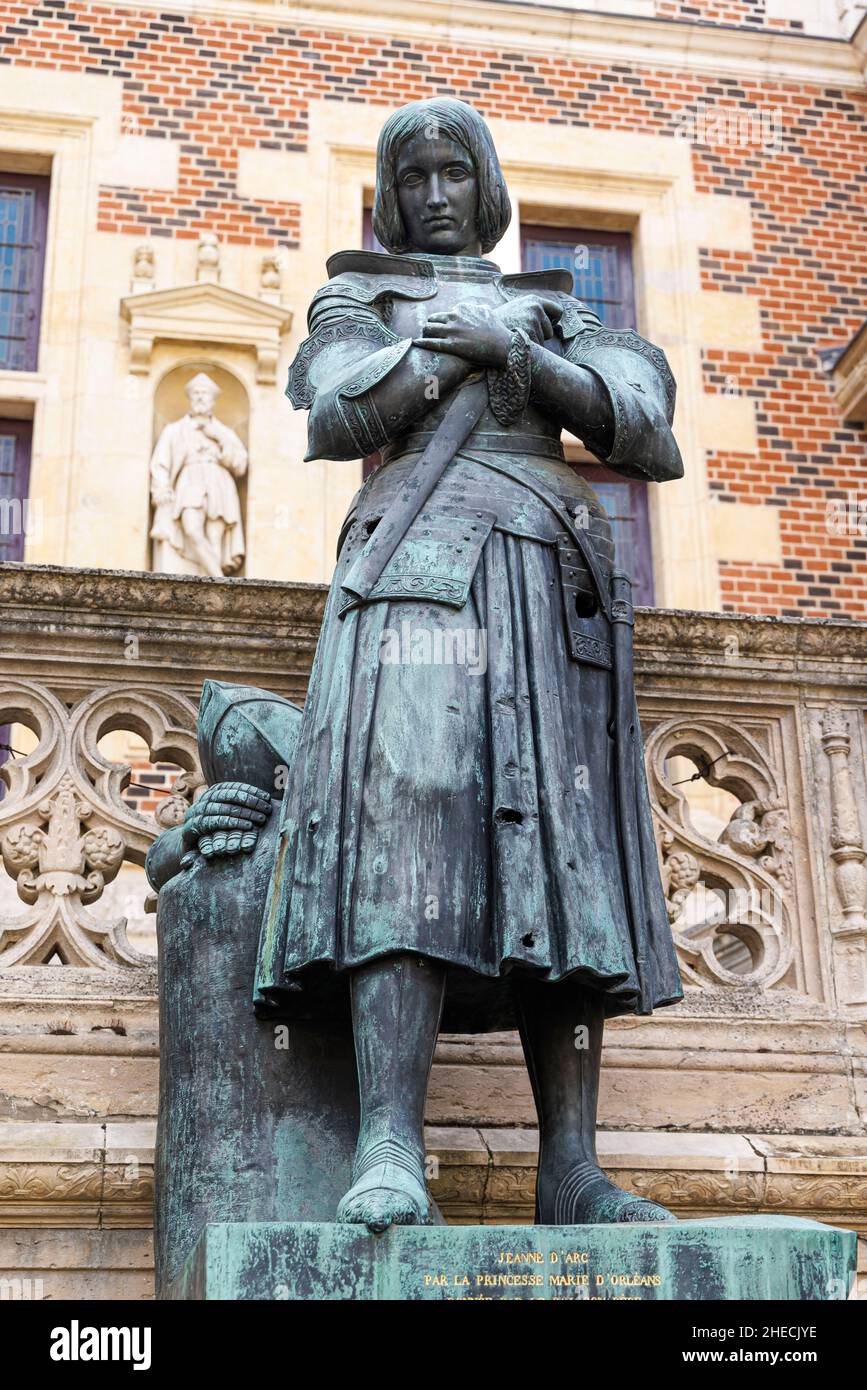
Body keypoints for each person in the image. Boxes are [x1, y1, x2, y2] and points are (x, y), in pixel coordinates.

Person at [195, 98, 685, 1233]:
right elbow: (330, 408)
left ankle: (571, 1166)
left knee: (565, 857)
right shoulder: (358, 296)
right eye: (409, 175)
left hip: (549, 581)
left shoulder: (555, 306)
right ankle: (388, 1143)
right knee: (405, 823)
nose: (432, 195)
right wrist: (431, 351)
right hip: (414, 575)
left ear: (488, 183)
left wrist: (520, 356)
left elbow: (647, 427)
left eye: (453, 172)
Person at [149, 372, 246, 578]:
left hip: (219, 483)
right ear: (190, 399)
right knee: (192, 530)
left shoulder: (223, 432)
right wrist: (161, 487)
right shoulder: (175, 430)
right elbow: (160, 463)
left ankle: (211, 581)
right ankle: (219, 579)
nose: (201, 397)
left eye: (205, 394)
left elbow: (240, 463)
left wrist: (218, 437)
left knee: (215, 537)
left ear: (212, 400)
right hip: (189, 482)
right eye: (196, 394)